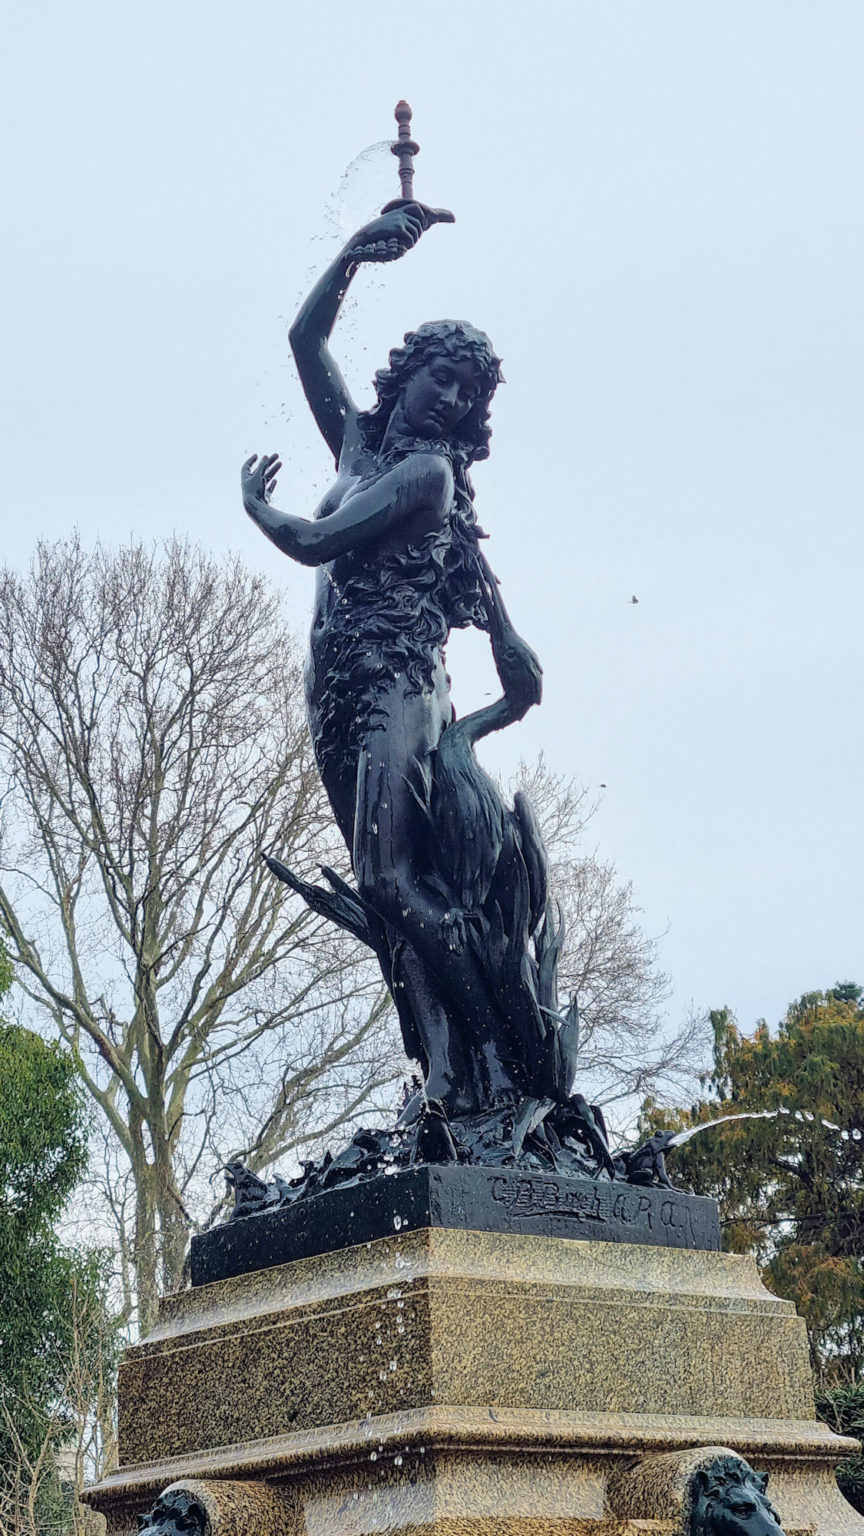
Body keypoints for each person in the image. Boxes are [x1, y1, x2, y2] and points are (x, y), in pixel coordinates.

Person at [242, 203, 555, 1119]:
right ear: (407, 375)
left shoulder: (427, 477)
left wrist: (258, 510)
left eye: (468, 392)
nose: (452, 399)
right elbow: (305, 341)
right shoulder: (360, 446)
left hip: (398, 689)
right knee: (389, 902)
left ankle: (497, 1053)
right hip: (338, 695)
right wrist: (355, 253)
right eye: (441, 378)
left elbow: (313, 541)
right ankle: (449, 1077)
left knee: (388, 879)